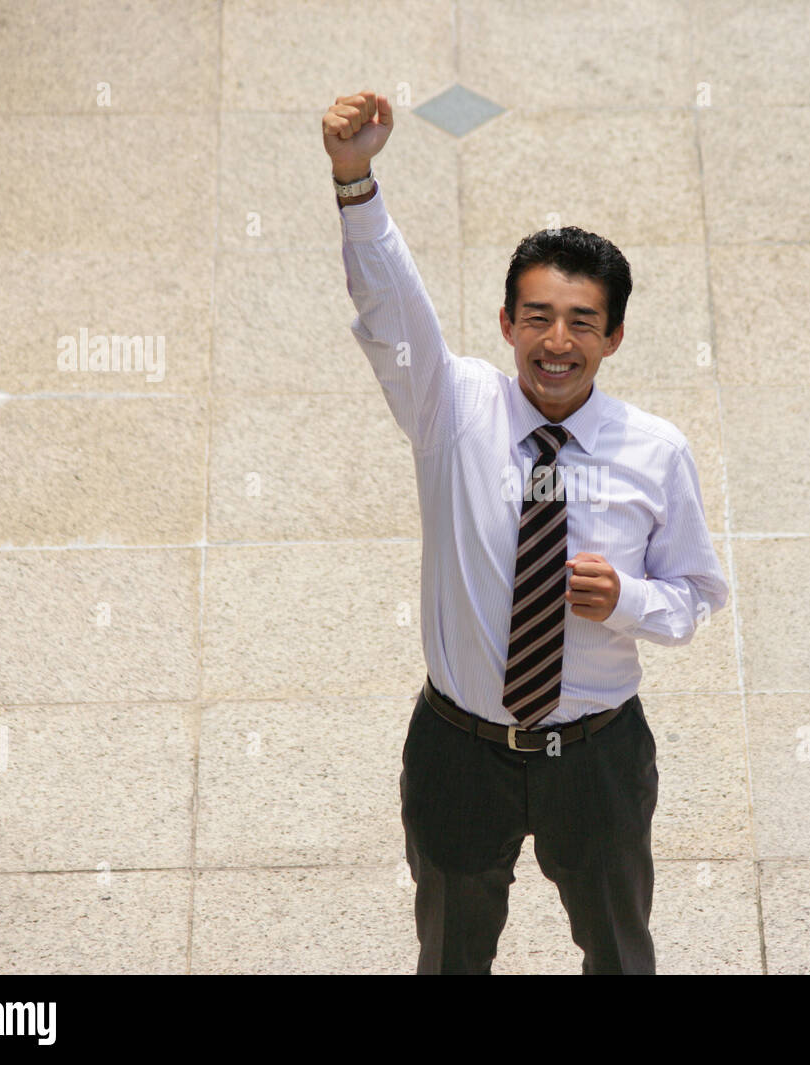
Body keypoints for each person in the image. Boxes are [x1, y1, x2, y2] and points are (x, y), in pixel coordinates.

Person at [324, 91, 730, 974]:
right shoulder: (452, 407)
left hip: (597, 750)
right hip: (460, 745)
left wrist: (630, 601)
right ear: (506, 324)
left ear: (614, 336)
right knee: (450, 955)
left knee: (621, 952)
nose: (557, 340)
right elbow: (393, 305)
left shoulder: (655, 452)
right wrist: (356, 182)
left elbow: (698, 594)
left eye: (582, 321)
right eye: (537, 317)